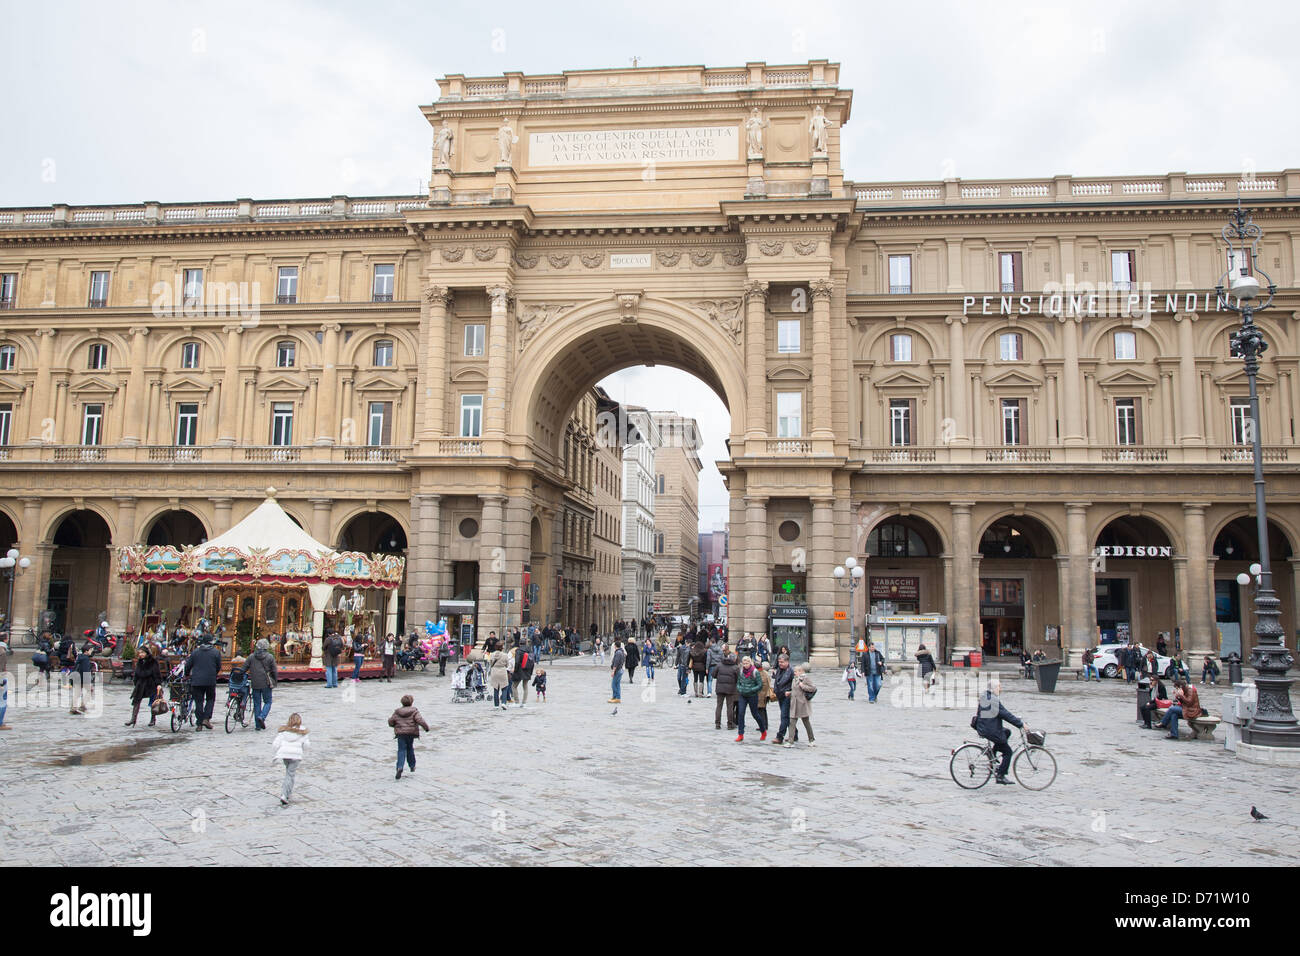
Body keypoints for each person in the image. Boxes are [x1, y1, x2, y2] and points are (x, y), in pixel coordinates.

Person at [973, 679, 1023, 783]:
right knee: (1008, 752)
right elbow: (1004, 714)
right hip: (989, 729)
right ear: (994, 688)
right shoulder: (992, 700)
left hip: (985, 727)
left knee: (1007, 732)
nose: (1001, 689)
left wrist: (1016, 719)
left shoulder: (987, 696)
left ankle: (993, 754)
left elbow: (1004, 712)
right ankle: (1000, 775)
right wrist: (1020, 725)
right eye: (999, 687)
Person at [184, 633, 222, 731]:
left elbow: (188, 665)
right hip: (210, 679)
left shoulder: (195, 652)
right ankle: (206, 718)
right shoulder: (216, 652)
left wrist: (187, 674)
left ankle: (199, 722)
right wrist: (214, 673)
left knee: (199, 701)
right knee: (210, 699)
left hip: (197, 680)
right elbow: (218, 666)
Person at [388, 694, 430, 780]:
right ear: (411, 702)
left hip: (400, 734)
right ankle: (412, 765)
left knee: (401, 750)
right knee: (410, 748)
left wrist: (395, 725)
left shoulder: (397, 712)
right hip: (411, 733)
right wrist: (426, 728)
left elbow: (391, 722)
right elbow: (420, 720)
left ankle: (399, 767)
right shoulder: (414, 711)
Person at [271, 713, 310, 805]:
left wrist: (276, 752)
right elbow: (307, 745)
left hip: (285, 755)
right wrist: (302, 749)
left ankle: (288, 792)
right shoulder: (302, 732)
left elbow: (275, 744)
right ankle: (284, 794)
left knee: (289, 773)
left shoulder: (283, 731)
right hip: (296, 756)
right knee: (290, 774)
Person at [125, 646, 162, 727]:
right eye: (140, 653)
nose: (141, 654)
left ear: (146, 653)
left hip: (151, 683)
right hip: (141, 683)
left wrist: (158, 684)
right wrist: (135, 682)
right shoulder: (140, 661)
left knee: (153, 703)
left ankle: (153, 719)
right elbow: (136, 673)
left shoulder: (153, 661)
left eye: (142, 652)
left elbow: (157, 674)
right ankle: (133, 719)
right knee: (136, 701)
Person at [247, 638, 279, 731]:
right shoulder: (270, 657)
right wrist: (274, 681)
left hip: (255, 683)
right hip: (266, 682)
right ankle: (262, 716)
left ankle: (257, 725)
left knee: (257, 704)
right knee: (268, 701)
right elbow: (274, 670)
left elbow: (244, 668)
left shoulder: (251, 657)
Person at [735, 656, 768, 742]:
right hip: (743, 695)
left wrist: (751, 689)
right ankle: (740, 734)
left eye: (747, 663)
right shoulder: (741, 671)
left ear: (750, 663)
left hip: (752, 695)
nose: (745, 665)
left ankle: (763, 730)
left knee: (755, 714)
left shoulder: (755, 672)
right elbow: (738, 682)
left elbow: (760, 685)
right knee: (741, 713)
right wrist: (739, 689)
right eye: (744, 663)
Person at [788, 663, 816, 747]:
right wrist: (789, 693)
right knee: (792, 722)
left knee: (806, 722)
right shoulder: (794, 679)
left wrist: (802, 685)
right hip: (794, 704)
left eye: (796, 671)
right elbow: (795, 690)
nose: (794, 673)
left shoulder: (805, 678)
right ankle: (790, 741)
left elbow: (813, 688)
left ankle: (811, 740)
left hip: (802, 704)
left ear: (800, 671)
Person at [713, 645, 739, 731]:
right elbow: (738, 679)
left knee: (719, 706)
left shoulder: (720, 665)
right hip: (730, 689)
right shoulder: (735, 667)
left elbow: (713, 675)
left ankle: (717, 723)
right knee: (730, 707)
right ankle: (730, 724)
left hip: (720, 688)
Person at [511, 639, 535, 708]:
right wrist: (531, 672)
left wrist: (515, 670)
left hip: (519, 670)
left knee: (514, 686)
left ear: (519, 643)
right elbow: (532, 661)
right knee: (525, 686)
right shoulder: (530, 650)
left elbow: (517, 662)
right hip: (527, 670)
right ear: (526, 643)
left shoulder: (518, 651)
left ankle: (517, 702)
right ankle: (524, 702)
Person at [489, 643, 511, 709]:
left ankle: (496, 705)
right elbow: (507, 665)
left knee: (496, 689)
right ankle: (503, 703)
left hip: (494, 671)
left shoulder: (492, 654)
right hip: (502, 671)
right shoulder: (505, 655)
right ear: (502, 648)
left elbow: (490, 663)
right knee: (504, 688)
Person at [609, 639, 625, 704]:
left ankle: (616, 697)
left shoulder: (618, 653)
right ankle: (615, 697)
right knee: (617, 684)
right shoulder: (621, 652)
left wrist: (613, 671)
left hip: (618, 670)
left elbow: (616, 663)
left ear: (615, 646)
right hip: (620, 669)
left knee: (613, 684)